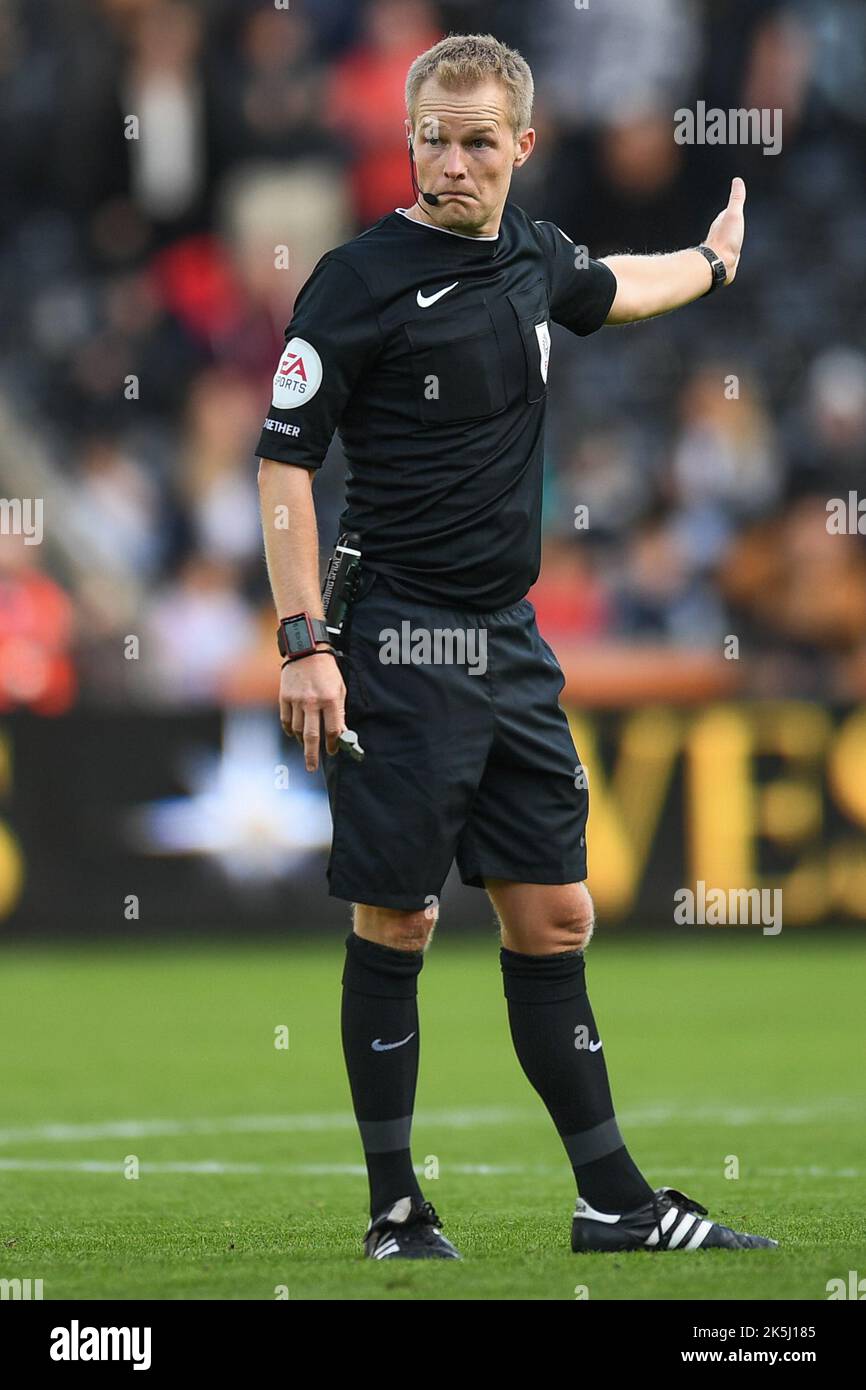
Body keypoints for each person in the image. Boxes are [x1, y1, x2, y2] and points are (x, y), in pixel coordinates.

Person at [256, 33, 776, 1259]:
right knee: (400, 919)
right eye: (430, 136)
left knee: (554, 916)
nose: (449, 161)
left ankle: (614, 1204)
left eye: (477, 139)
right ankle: (394, 1207)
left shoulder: (534, 257)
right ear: (408, 139)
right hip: (394, 638)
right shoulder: (355, 279)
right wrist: (300, 642)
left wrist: (709, 262)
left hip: (509, 641)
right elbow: (282, 462)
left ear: (521, 147)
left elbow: (612, 284)